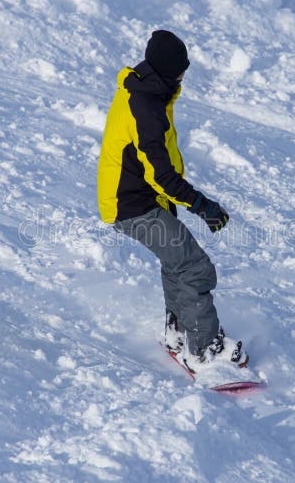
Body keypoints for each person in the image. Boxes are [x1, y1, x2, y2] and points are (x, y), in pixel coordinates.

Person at [97, 29, 247, 372]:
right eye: (182, 68)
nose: (184, 74)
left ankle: (178, 331)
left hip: (137, 197)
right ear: (168, 70)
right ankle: (203, 350)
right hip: (134, 204)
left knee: (177, 262)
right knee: (195, 267)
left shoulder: (144, 90)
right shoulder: (146, 107)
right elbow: (160, 174)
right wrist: (202, 205)